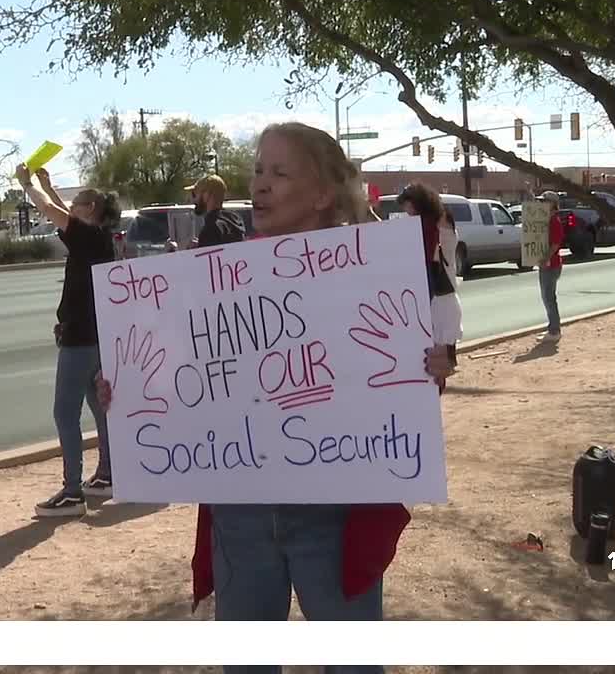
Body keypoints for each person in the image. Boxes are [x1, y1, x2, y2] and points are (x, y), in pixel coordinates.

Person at [97, 122, 456, 674]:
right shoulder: (212, 281)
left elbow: (401, 371)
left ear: (322, 194)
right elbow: (177, 376)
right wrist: (123, 389)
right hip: (240, 513)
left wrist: (428, 364)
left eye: (280, 173)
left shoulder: (370, 272)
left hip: (336, 512)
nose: (260, 184)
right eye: (258, 170)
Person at [16, 165, 122, 516]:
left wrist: (29, 185)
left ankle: (72, 491)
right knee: (98, 408)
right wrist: (48, 186)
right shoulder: (98, 237)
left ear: (90, 209)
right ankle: (108, 473)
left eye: (77, 204)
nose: (71, 208)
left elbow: (50, 211)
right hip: (96, 335)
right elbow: (62, 213)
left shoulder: (87, 237)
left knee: (65, 413)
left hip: (80, 340)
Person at [397, 184, 463, 384]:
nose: (408, 212)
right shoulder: (420, 226)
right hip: (431, 299)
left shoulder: (440, 224)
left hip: (440, 300)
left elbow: (437, 249)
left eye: (410, 207)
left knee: (437, 363)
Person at [185, 174, 244, 248]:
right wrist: (200, 245)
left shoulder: (211, 229)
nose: (193, 200)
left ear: (207, 194)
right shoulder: (235, 220)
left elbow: (211, 254)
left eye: (194, 194)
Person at [538, 191, 566, 341]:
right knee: (546, 297)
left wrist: (546, 258)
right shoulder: (546, 219)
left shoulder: (554, 221)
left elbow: (555, 244)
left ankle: (555, 331)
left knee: (549, 297)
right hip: (546, 264)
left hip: (552, 265)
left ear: (552, 204)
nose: (541, 204)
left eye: (545, 201)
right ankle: (552, 328)